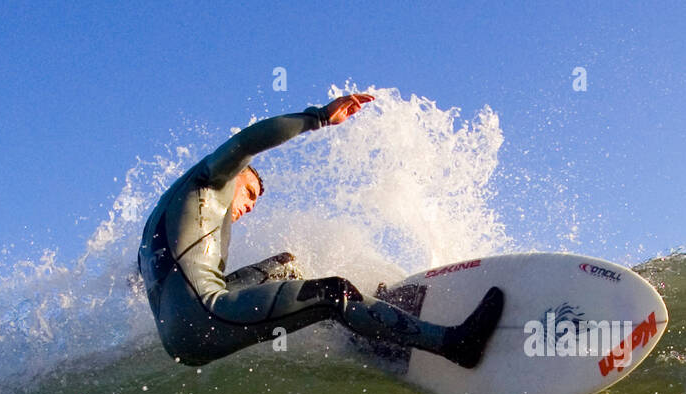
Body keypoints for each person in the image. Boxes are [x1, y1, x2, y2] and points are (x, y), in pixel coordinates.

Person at [137, 94, 503, 368]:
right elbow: (245, 143)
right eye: (248, 193)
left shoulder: (161, 219)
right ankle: (453, 343)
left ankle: (363, 319)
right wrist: (319, 117)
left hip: (179, 335)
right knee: (332, 292)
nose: (247, 207)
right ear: (232, 178)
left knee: (285, 266)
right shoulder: (210, 179)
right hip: (207, 315)